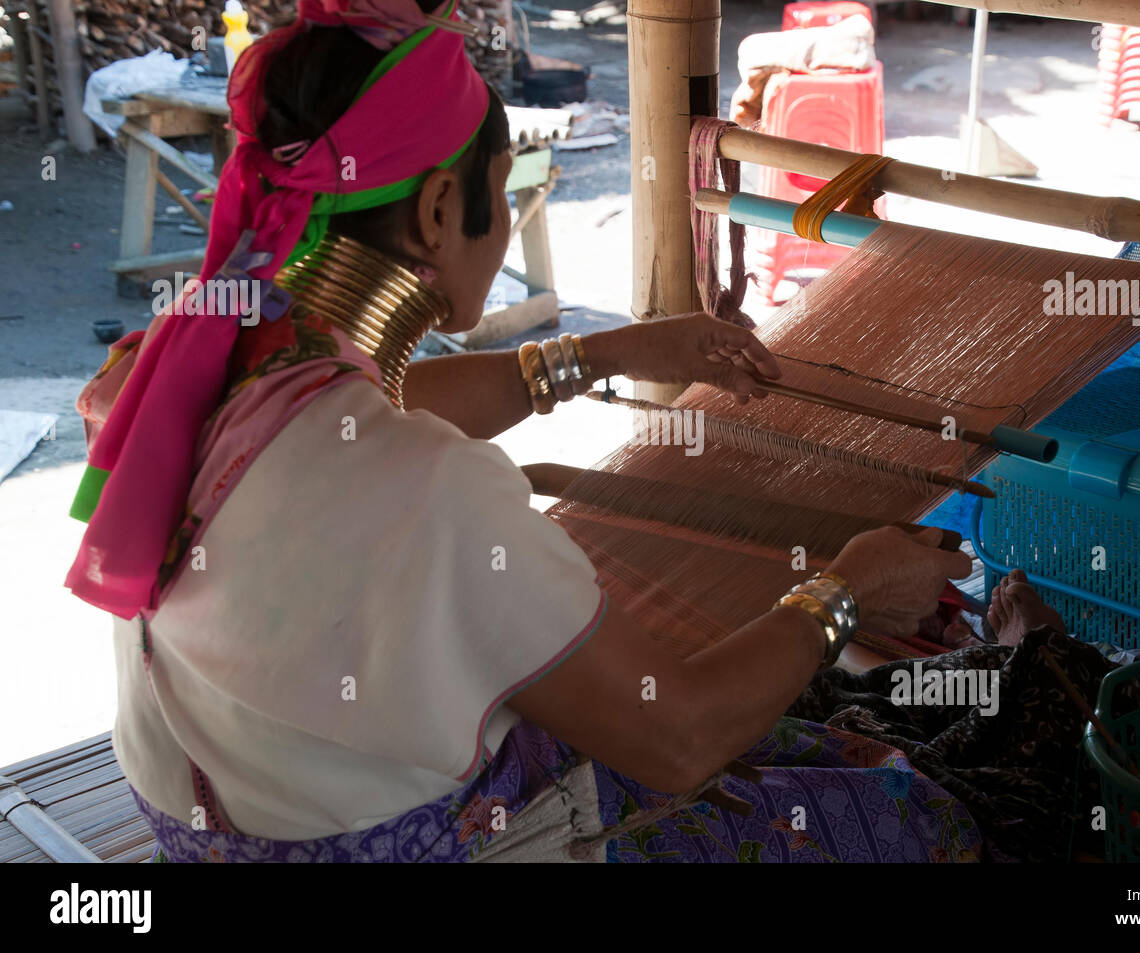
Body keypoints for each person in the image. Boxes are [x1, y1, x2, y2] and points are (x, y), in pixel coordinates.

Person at [68, 0, 981, 862]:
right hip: (410, 838)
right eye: (499, 193)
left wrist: (613, 350)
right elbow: (680, 735)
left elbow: (373, 419)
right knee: (911, 810)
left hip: (227, 818)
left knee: (803, 738)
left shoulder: (201, 368)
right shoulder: (431, 488)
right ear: (436, 212)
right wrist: (845, 593)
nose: (503, 221)